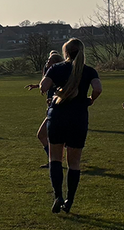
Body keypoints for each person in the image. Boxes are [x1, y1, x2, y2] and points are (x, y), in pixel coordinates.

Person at [38, 38, 102, 214]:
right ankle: (70, 200)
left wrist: (56, 92)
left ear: (65, 52)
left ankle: (58, 195)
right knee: (74, 163)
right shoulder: (89, 71)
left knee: (55, 159)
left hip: (57, 116)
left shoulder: (57, 68)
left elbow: (43, 86)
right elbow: (98, 89)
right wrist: (90, 99)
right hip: (78, 118)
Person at [25, 50, 63, 168]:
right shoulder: (54, 73)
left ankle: (54, 161)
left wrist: (55, 99)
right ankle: (55, 159)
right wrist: (37, 86)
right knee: (50, 136)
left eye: (49, 60)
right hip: (53, 108)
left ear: (55, 63)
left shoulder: (59, 76)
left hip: (58, 110)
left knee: (42, 135)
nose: (47, 62)